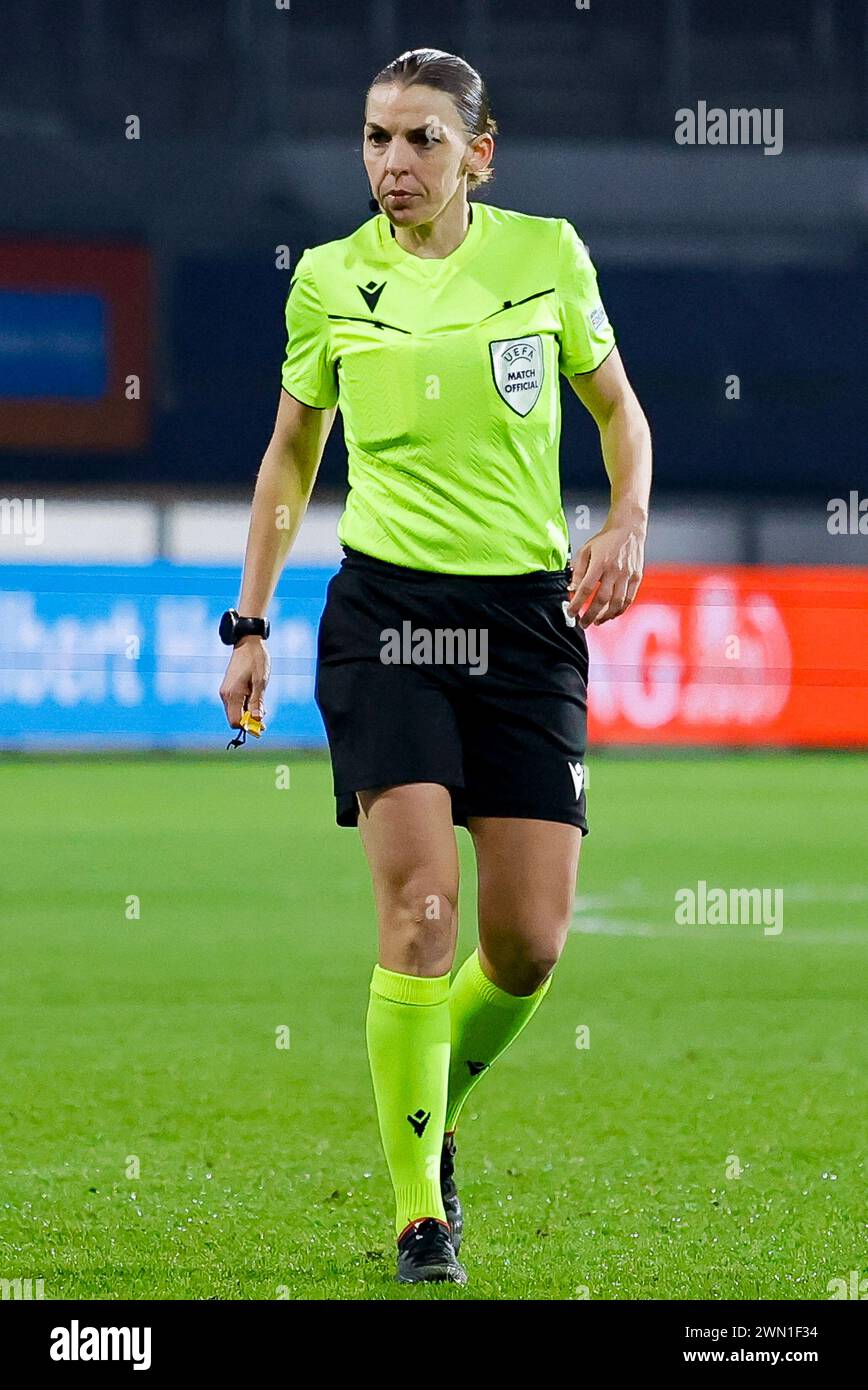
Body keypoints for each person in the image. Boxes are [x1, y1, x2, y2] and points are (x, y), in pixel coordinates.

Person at [219, 47, 651, 1286]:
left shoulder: (546, 257)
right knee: (419, 912)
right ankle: (422, 1217)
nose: (390, 165)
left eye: (417, 141)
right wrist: (248, 623)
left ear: (479, 151)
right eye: (373, 139)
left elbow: (618, 411)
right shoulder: (328, 281)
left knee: (525, 944)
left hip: (523, 622)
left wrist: (624, 517)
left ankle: (431, 1102)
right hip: (389, 623)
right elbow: (291, 458)